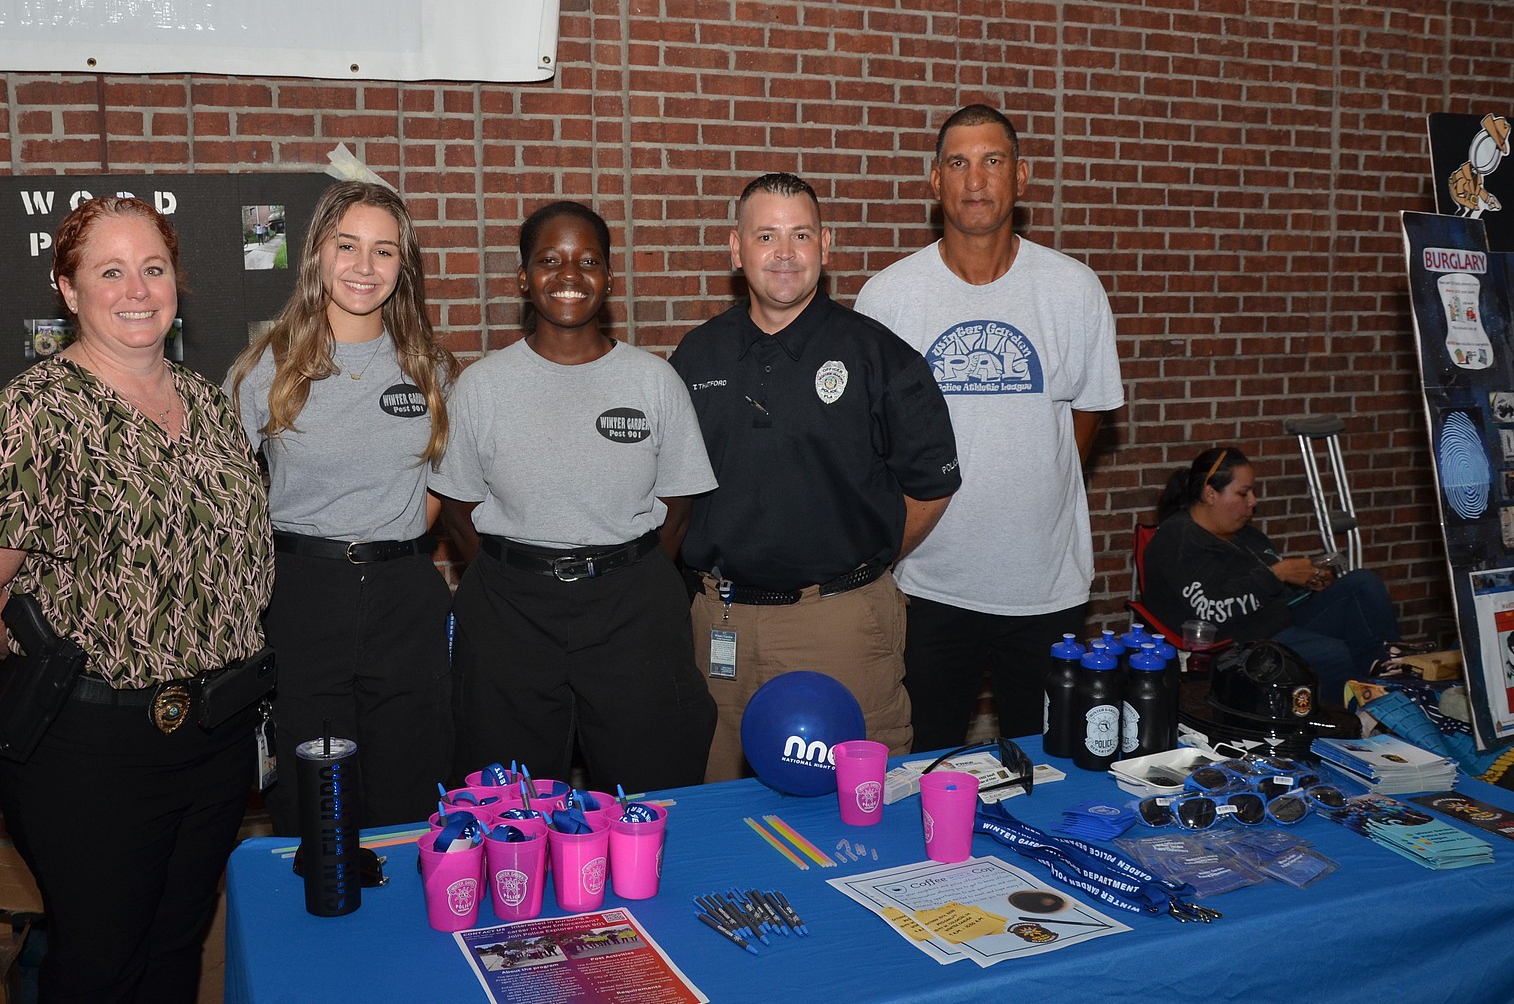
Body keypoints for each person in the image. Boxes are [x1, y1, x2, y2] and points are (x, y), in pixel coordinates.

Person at [0, 196, 273, 1004]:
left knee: (178, 943)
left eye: (152, 268)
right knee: (101, 960)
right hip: (91, 752)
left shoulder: (210, 408)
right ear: (68, 290)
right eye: (109, 271)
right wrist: (57, 668)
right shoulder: (39, 412)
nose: (137, 289)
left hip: (215, 737)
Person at [669, 173, 959, 780]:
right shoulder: (696, 358)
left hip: (840, 628)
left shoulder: (879, 356)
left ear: (825, 245)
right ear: (735, 248)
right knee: (715, 802)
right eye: (766, 235)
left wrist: (861, 558)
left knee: (857, 808)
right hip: (722, 629)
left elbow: (932, 483)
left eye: (800, 235)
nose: (783, 252)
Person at [855, 104, 1125, 746]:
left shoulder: (1073, 288)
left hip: (1043, 584)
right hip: (926, 581)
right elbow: (871, 441)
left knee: (1048, 763)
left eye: (992, 161)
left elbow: (1088, 414)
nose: (975, 179)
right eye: (958, 163)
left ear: (1022, 177)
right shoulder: (888, 298)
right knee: (924, 764)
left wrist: (1035, 477)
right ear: (935, 181)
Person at [430, 200, 718, 791]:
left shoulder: (654, 381)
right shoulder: (481, 386)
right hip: (510, 612)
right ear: (523, 278)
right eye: (549, 260)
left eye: (587, 260)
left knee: (652, 786)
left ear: (609, 278)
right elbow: (457, 510)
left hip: (633, 610)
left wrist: (620, 575)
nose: (568, 275)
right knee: (507, 798)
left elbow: (680, 508)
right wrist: (519, 577)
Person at [228, 181, 458, 832]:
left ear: (402, 266)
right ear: (317, 257)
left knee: (412, 791)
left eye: (384, 251)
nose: (364, 266)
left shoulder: (432, 370)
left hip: (404, 598)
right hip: (302, 597)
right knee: (312, 798)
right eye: (347, 246)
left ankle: (411, 928)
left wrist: (388, 543)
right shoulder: (262, 370)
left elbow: (440, 486)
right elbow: (233, 502)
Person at [1143, 446, 1398, 691]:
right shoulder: (1179, 538)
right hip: (1237, 645)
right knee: (1339, 654)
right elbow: (1211, 610)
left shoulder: (1245, 534)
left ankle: (1386, 668)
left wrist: (1306, 581)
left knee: (1363, 583)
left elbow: (1271, 590)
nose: (1253, 501)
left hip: (1281, 621)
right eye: (1243, 493)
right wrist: (1279, 574)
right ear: (1210, 494)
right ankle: (1370, 702)